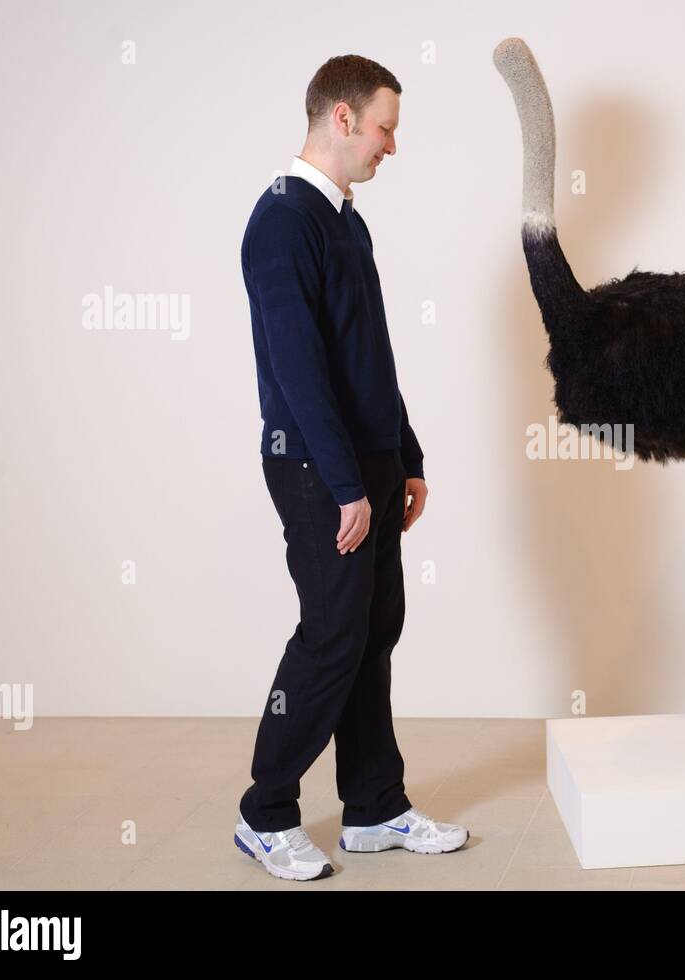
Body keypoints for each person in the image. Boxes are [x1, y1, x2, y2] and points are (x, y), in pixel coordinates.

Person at [234, 54, 467, 881]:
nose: (390, 145)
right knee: (332, 636)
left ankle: (374, 807)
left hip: (366, 463)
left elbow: (369, 358)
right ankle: (264, 813)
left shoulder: (347, 220)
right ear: (341, 117)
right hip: (312, 468)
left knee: (374, 633)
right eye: (384, 127)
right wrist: (342, 484)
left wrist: (404, 458)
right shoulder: (281, 220)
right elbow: (300, 374)